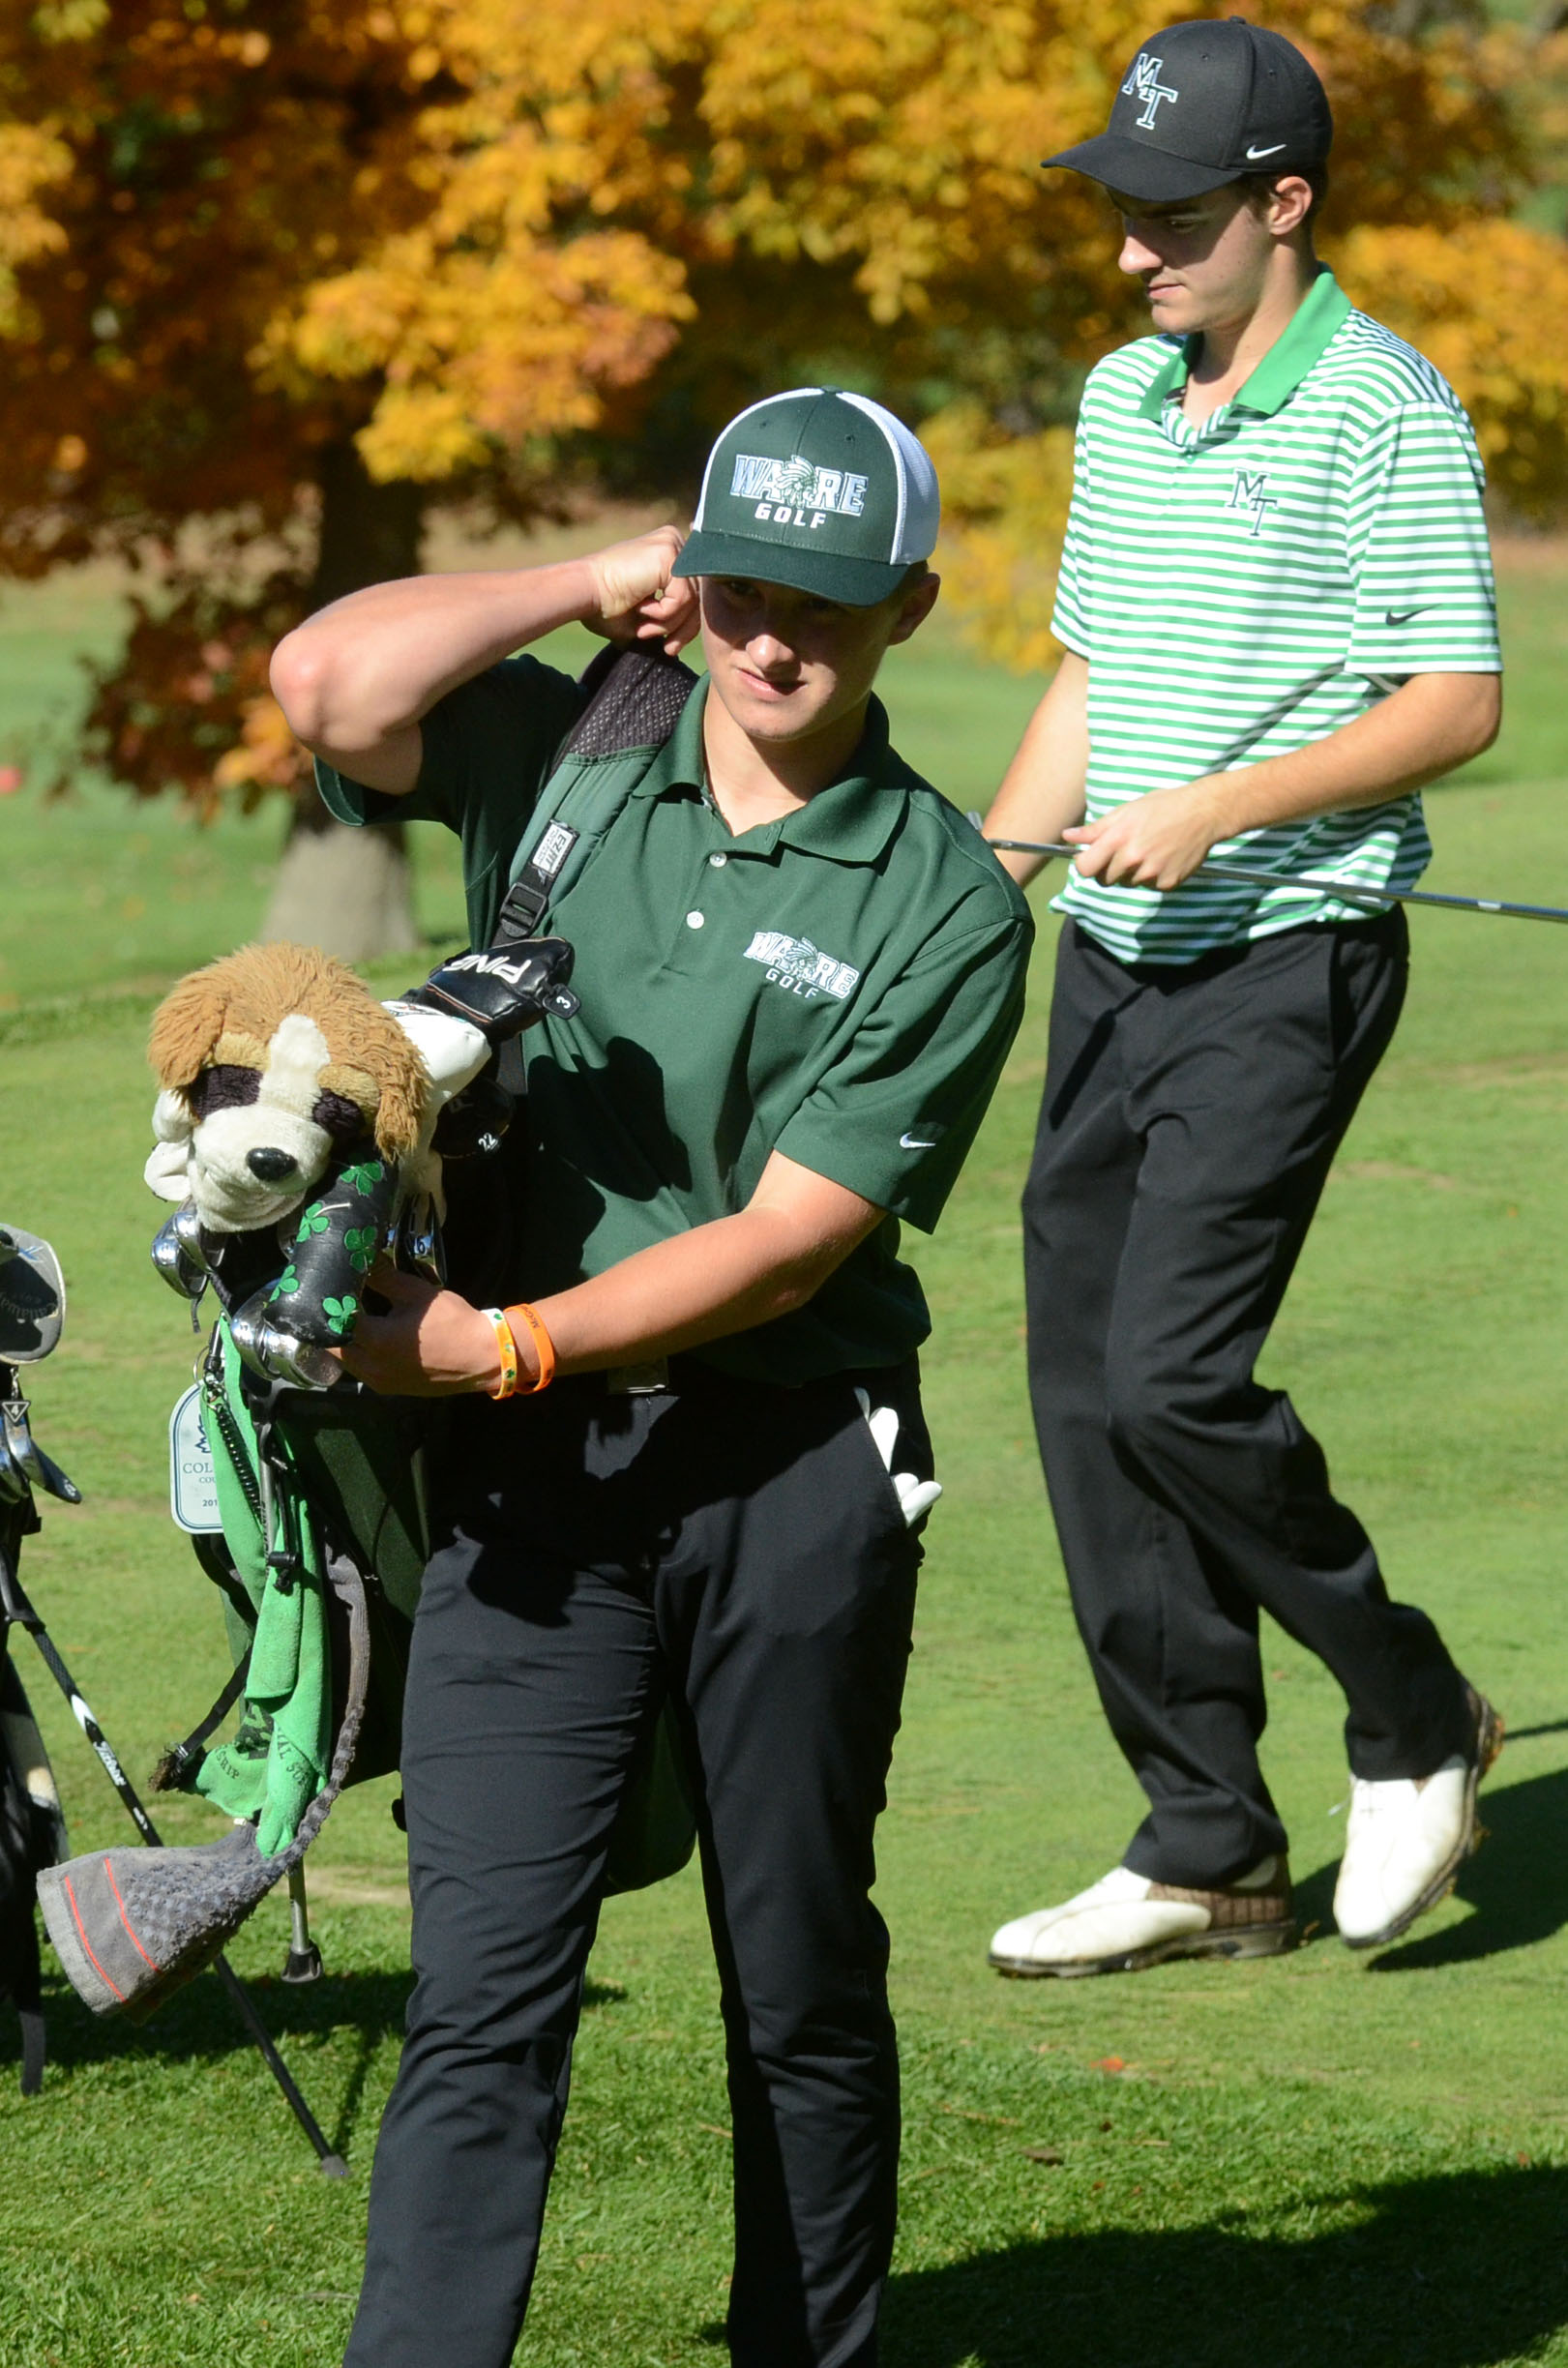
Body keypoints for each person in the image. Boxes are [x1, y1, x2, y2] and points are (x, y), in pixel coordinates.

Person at [269, 387, 1031, 2368]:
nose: (777, 641)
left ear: (910, 610)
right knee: (486, 1984)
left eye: (832, 607)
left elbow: (789, 1239)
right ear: (696, 579)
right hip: (530, 1484)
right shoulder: (572, 743)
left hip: (790, 1468)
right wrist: (594, 578)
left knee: (789, 1969)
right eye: (744, 590)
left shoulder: (940, 892)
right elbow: (328, 680)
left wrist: (495, 1345)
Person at [984, 17, 1503, 1980]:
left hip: (1287, 959)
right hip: (1113, 962)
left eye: (1171, 217)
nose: (1131, 252)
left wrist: (1221, 809)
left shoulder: (1382, 407)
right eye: (1118, 213)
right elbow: (1093, 676)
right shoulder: (1125, 402)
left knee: (1171, 1380)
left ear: (1284, 205)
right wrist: (996, 873)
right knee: (1077, 1401)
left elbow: (1452, 700)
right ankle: (1205, 1842)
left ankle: (1407, 1700)